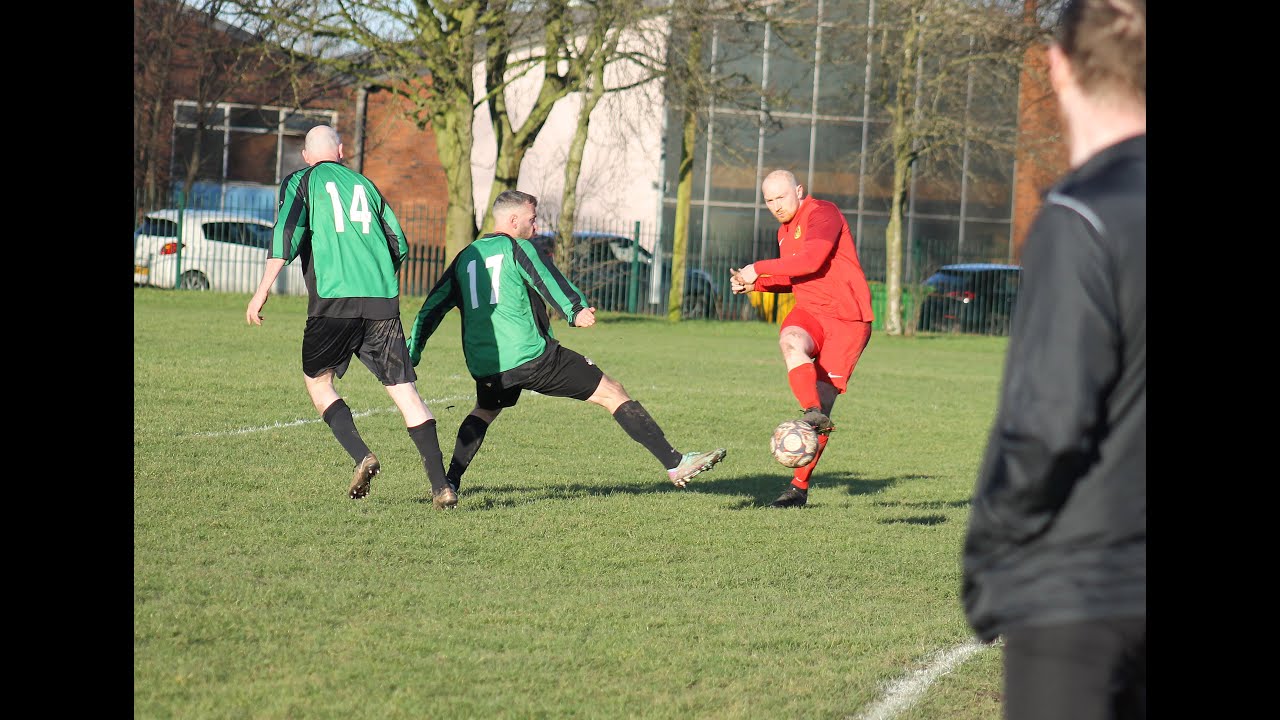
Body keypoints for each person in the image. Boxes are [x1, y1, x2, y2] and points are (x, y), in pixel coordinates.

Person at [960, 1, 1146, 717]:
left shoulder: (1080, 217)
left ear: (1059, 67)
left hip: (1086, 598)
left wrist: (989, 556)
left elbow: (1046, 426)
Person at [406, 190, 726, 502]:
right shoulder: (517, 247)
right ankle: (675, 463)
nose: (537, 227)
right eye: (533, 219)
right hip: (532, 357)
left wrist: (413, 350)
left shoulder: (466, 256)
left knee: (485, 410)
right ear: (513, 220)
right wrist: (574, 309)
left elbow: (431, 307)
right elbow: (547, 278)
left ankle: (449, 483)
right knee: (611, 391)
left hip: (487, 363)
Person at [245, 125, 458, 510]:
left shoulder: (301, 180)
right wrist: (376, 274)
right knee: (406, 393)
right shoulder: (365, 184)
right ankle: (442, 487)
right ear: (341, 151)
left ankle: (363, 456)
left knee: (318, 381)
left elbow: (287, 233)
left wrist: (262, 290)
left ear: (307, 156)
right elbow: (399, 242)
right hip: (381, 304)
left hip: (333, 303)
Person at [730, 170, 874, 508]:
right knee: (790, 340)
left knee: (824, 407)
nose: (776, 206)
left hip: (847, 322)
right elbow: (797, 275)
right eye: (769, 201)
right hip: (811, 310)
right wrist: (756, 284)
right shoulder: (783, 231)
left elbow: (811, 260)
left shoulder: (823, 212)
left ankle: (798, 488)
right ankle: (810, 410)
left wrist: (757, 268)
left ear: (799, 190)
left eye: (781, 197)